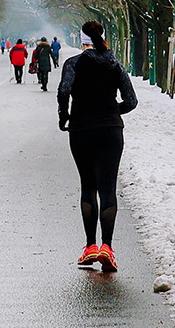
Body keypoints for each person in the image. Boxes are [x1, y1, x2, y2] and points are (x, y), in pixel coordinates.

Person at [59, 20, 138, 273]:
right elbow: (131, 100)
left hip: (81, 129)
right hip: (110, 130)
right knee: (108, 187)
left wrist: (64, 116)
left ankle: (90, 247)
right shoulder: (115, 64)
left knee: (88, 186)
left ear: (82, 40)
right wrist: (114, 111)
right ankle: (108, 247)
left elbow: (63, 91)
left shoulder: (74, 63)